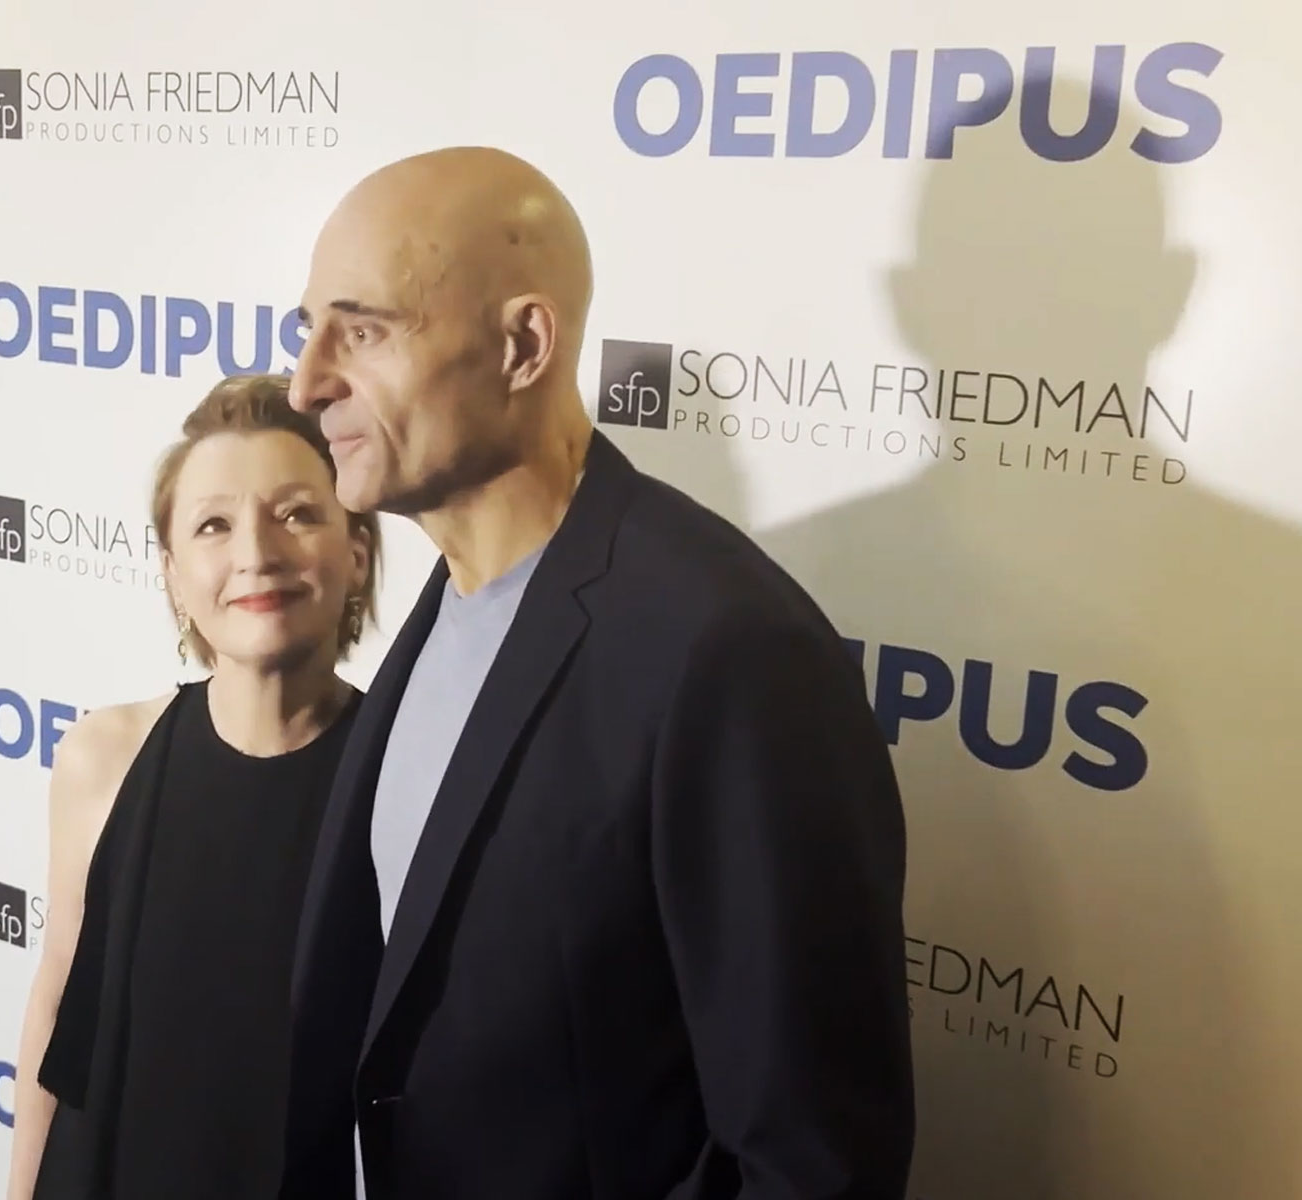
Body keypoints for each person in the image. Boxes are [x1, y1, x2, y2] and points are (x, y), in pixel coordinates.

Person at [279, 146, 916, 1200]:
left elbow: (810, 1162)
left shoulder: (727, 650)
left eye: (365, 330)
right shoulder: (441, 600)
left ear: (524, 344)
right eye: (308, 329)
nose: (307, 383)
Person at [4, 372, 380, 1200]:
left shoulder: (410, 779)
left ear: (356, 553)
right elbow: (56, 1004)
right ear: (174, 576)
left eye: (297, 512)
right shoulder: (103, 758)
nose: (256, 552)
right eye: (214, 524)